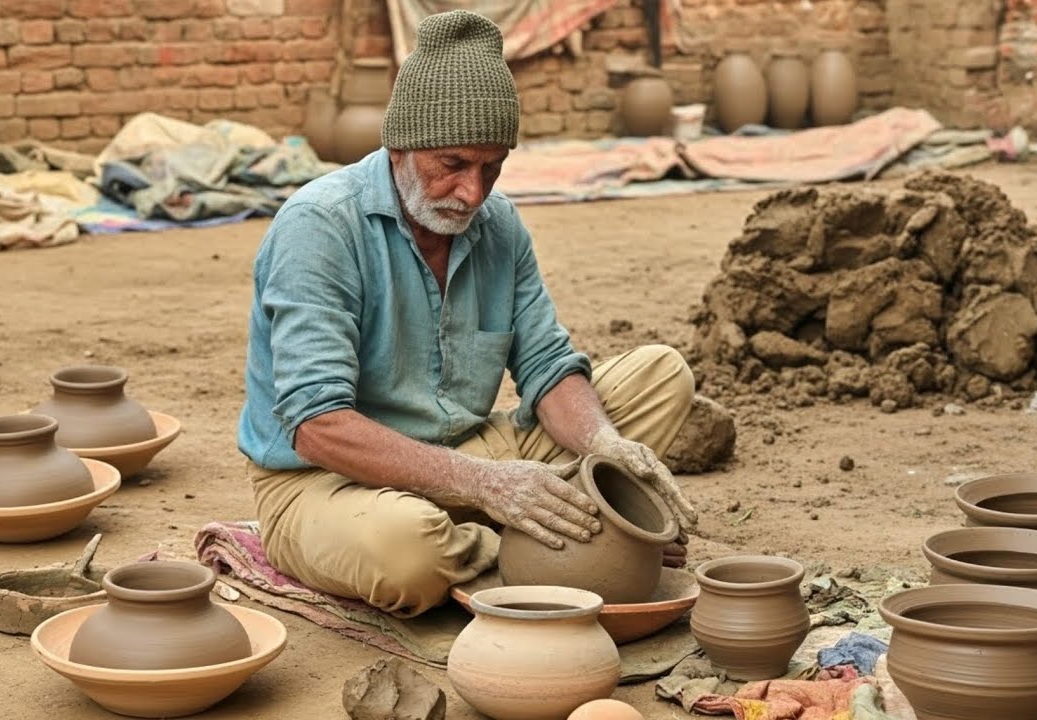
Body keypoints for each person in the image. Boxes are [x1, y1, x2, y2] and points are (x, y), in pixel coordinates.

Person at [237, 9, 698, 618]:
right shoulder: (321, 226)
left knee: (660, 375)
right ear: (399, 146)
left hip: (469, 451)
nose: (473, 192)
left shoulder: (498, 223)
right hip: (328, 483)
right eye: (452, 165)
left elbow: (547, 364)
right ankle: (528, 540)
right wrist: (488, 486)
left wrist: (605, 445)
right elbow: (317, 425)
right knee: (405, 554)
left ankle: (538, 525)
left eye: (493, 166)